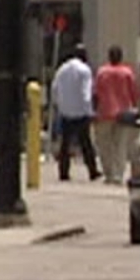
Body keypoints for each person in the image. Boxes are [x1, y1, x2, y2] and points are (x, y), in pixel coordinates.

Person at [93, 45, 140, 185]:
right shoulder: (127, 73)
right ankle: (118, 175)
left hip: (104, 113)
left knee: (104, 145)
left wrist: (95, 111)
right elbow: (135, 94)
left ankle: (108, 173)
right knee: (120, 145)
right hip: (124, 114)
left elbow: (95, 94)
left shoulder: (102, 72)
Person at [50, 44, 99, 182]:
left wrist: (58, 105)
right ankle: (92, 170)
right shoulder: (85, 70)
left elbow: (54, 88)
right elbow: (86, 92)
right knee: (85, 143)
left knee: (65, 144)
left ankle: (63, 172)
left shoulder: (62, 69)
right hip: (80, 112)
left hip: (65, 111)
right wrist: (89, 111)